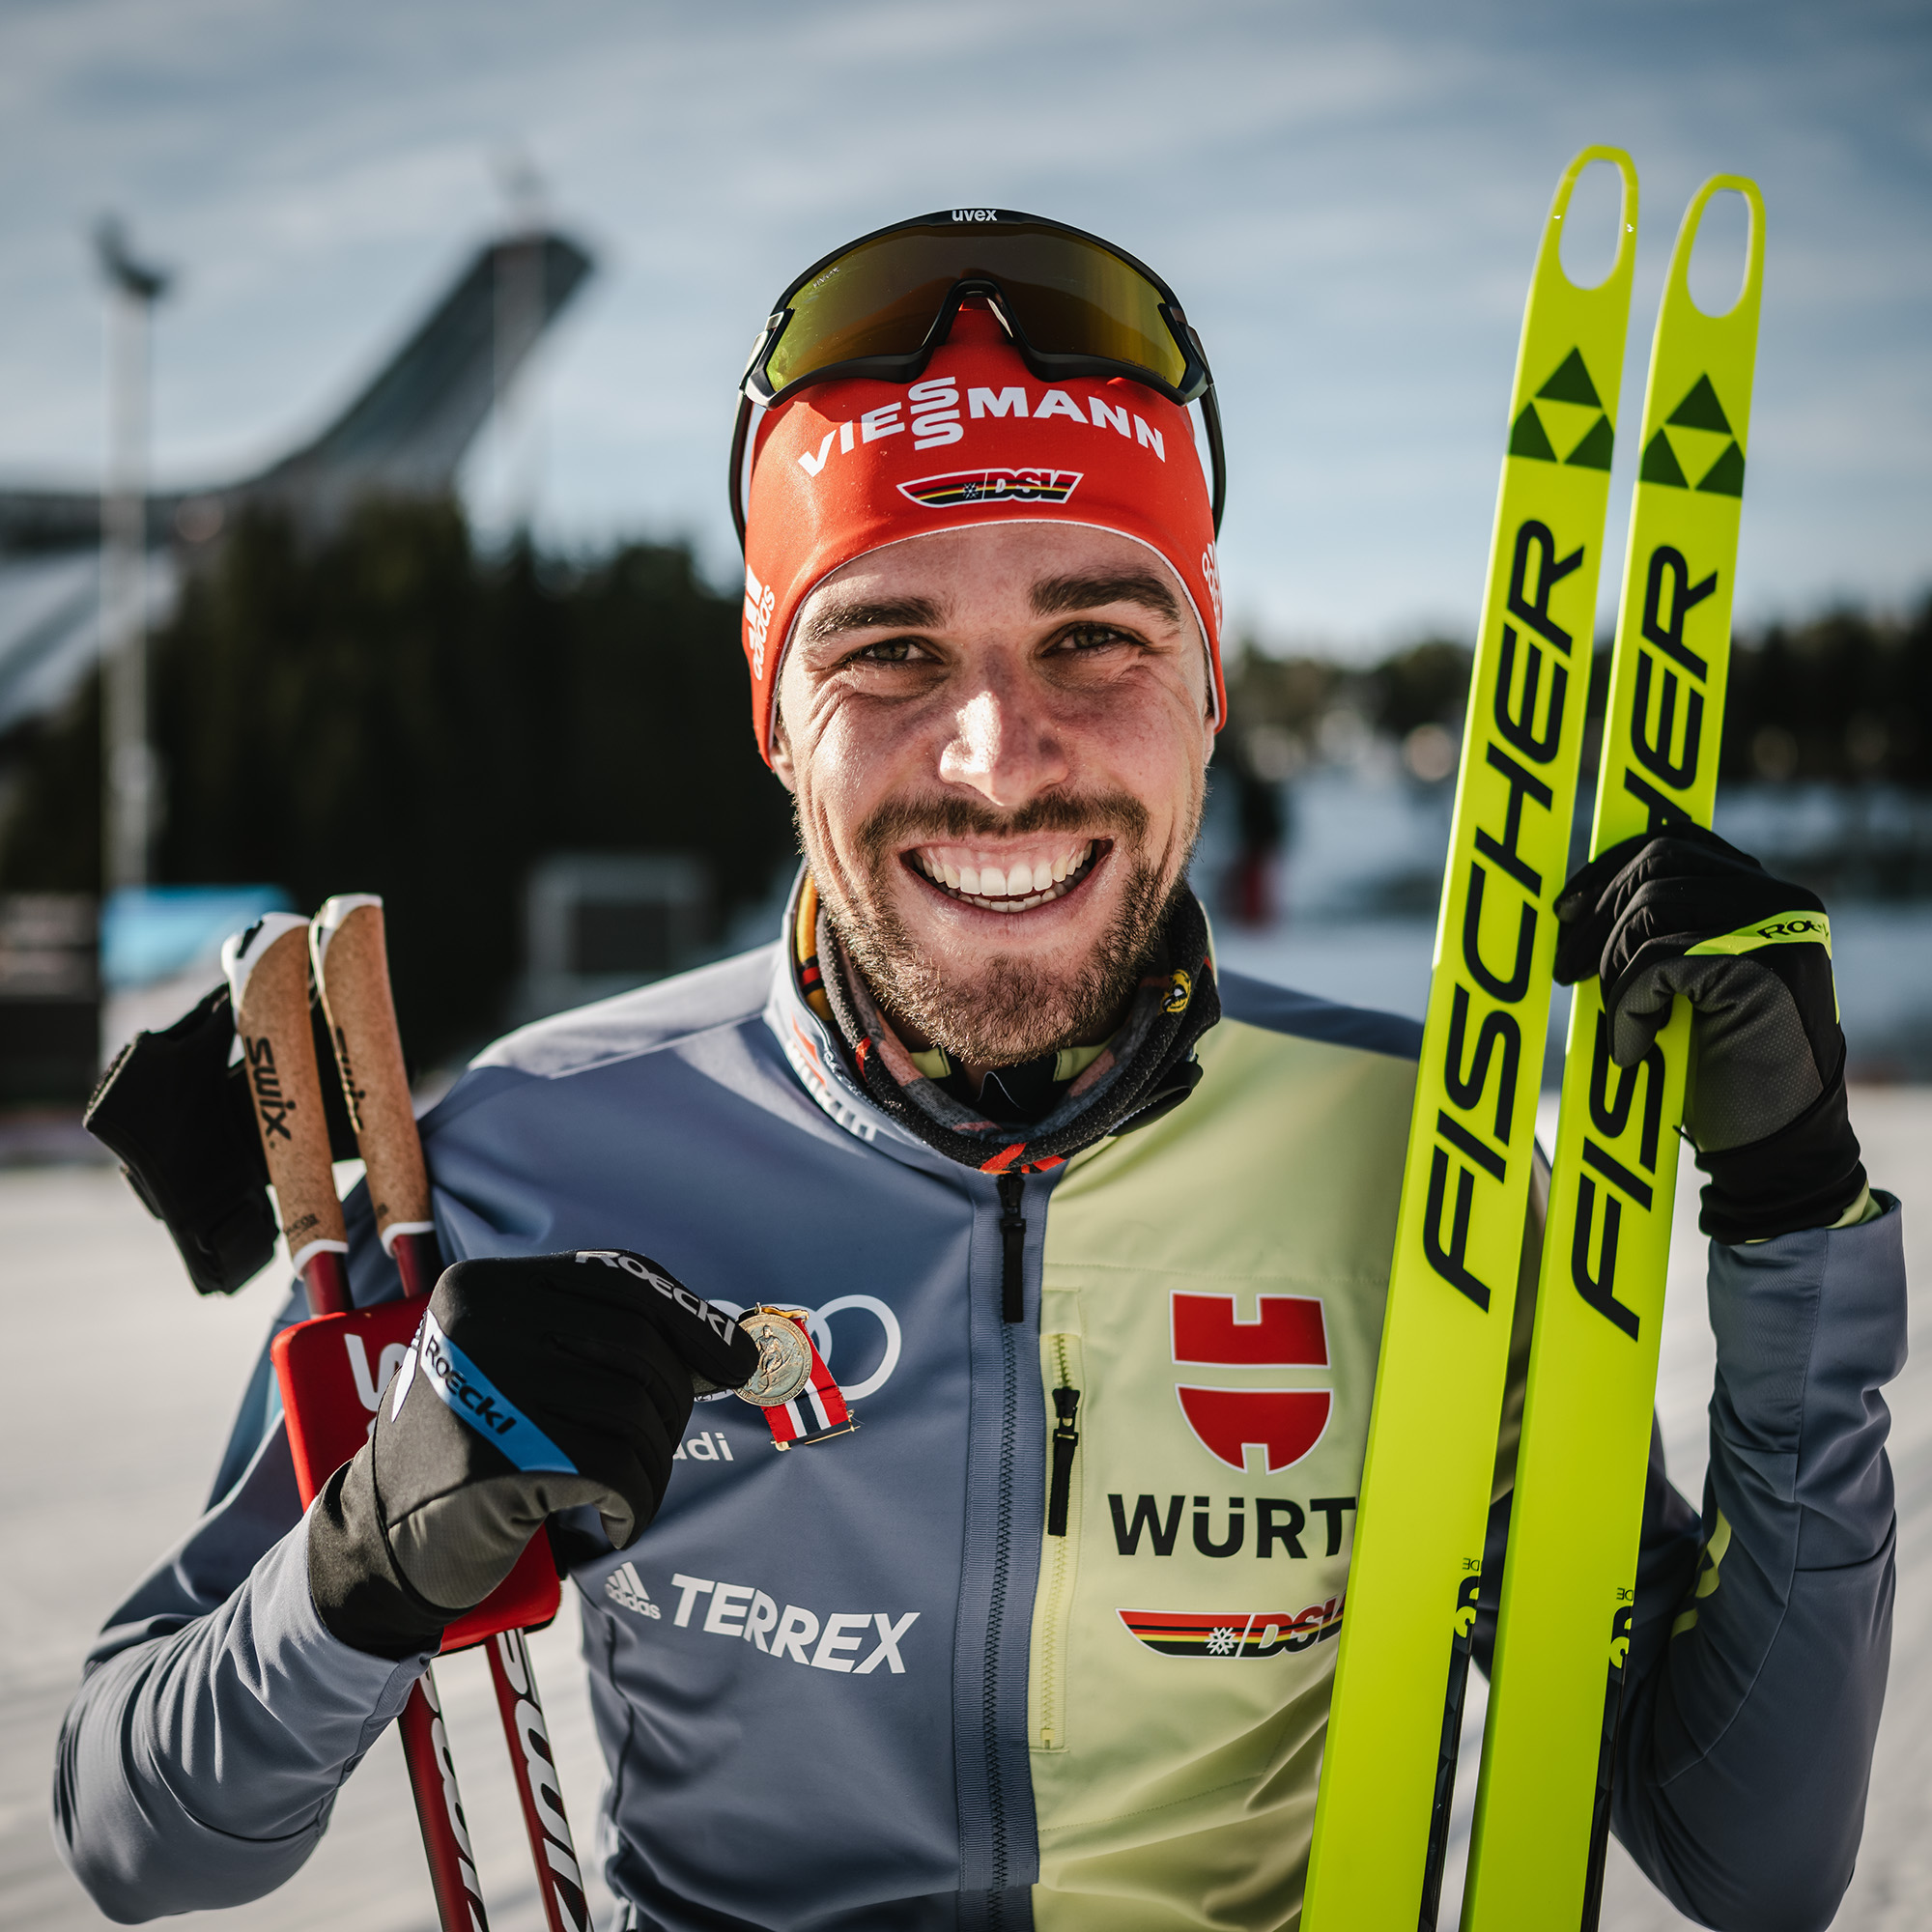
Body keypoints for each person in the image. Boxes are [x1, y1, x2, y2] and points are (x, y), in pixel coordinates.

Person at [55, 210, 1904, 1932]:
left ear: (1210, 684)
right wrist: (361, 1565)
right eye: (887, 647)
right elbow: (134, 1825)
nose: (1000, 755)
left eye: (1095, 634)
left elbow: (1750, 1852)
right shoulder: (538, 1150)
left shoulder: (1424, 1164)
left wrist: (1793, 1226)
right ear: (773, 708)